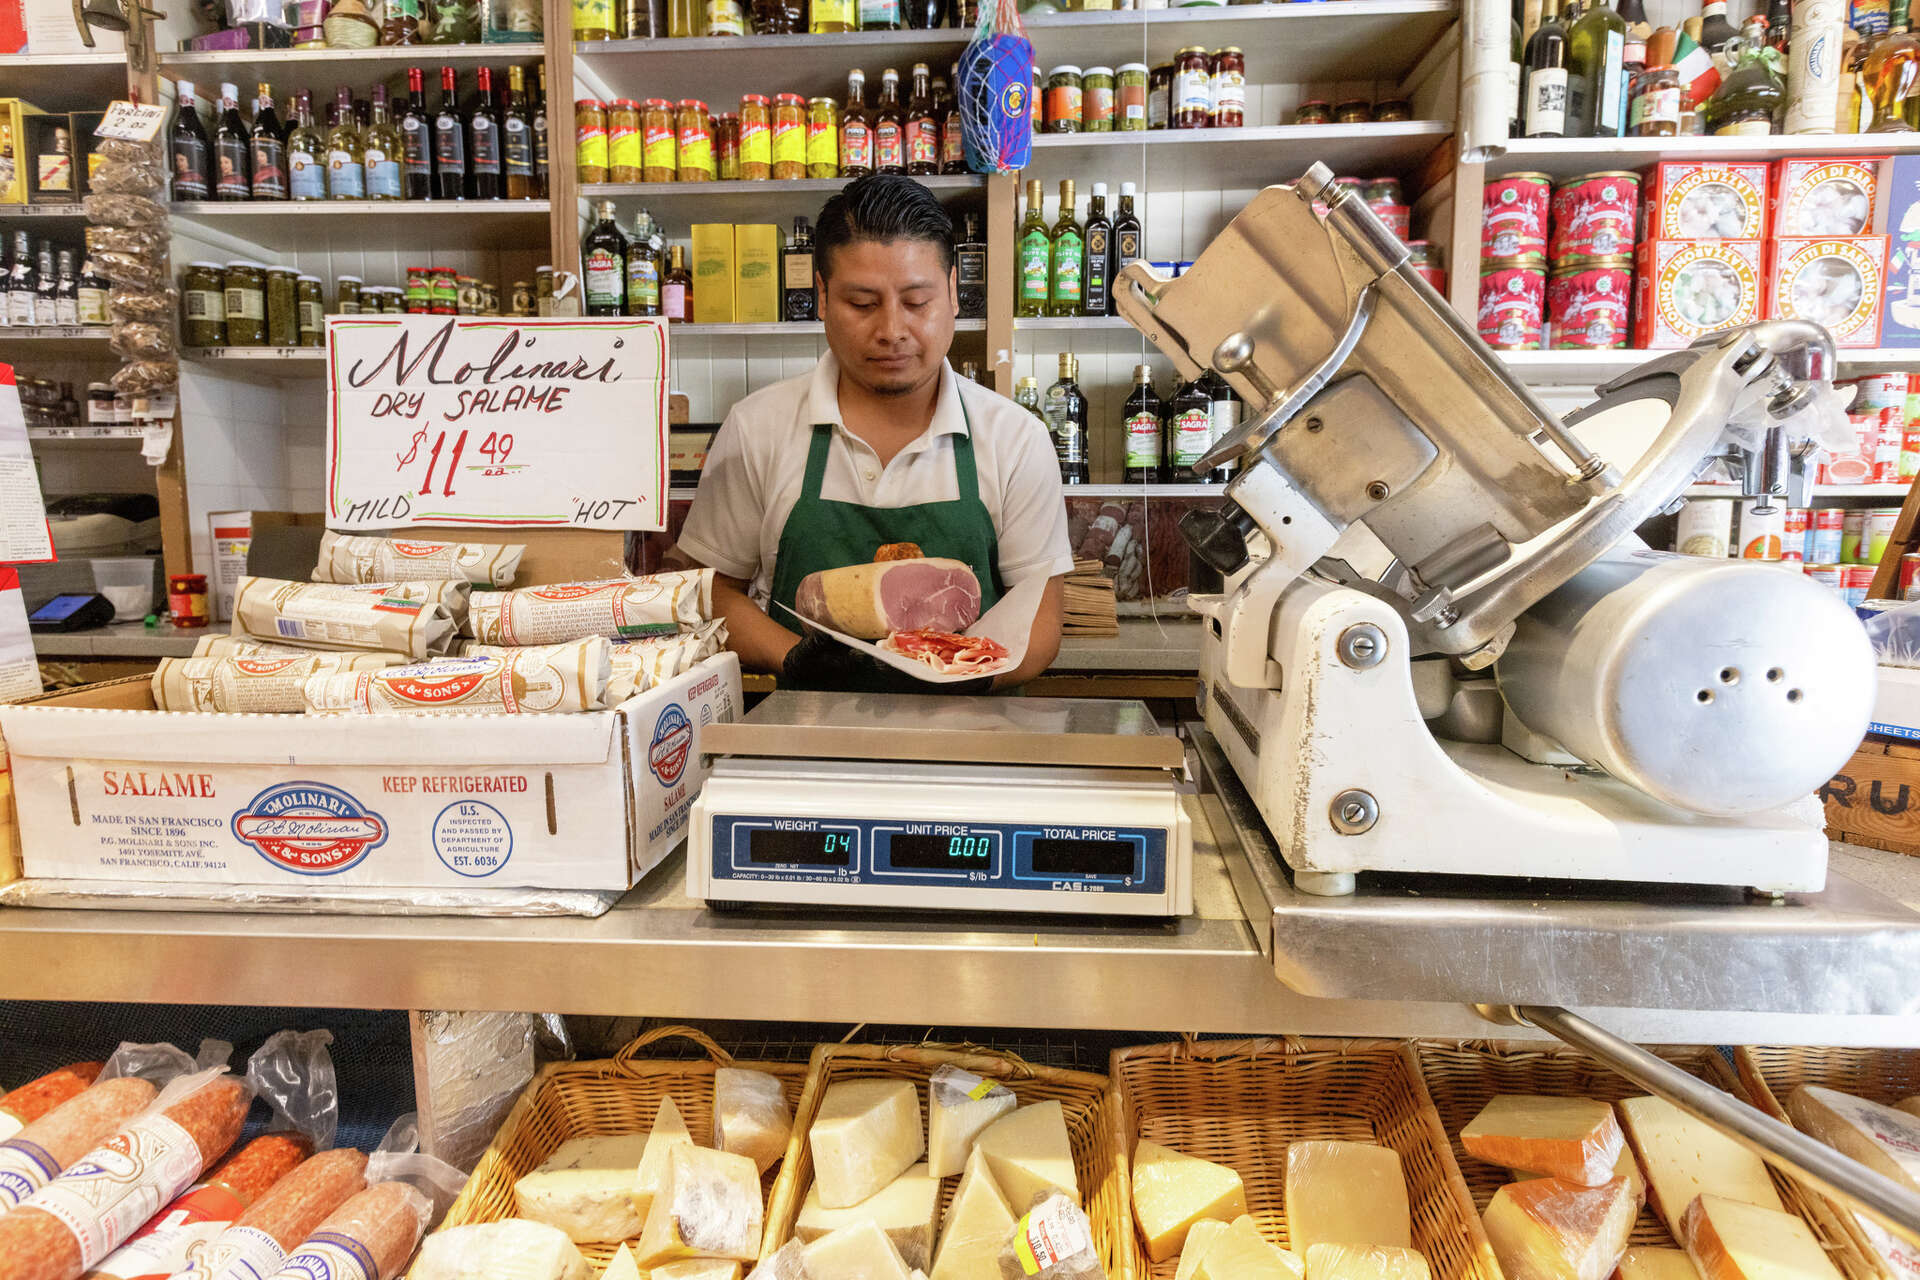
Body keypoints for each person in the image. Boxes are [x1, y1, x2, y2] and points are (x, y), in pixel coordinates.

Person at [673, 175, 1072, 692]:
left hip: (970, 728)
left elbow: (1040, 618)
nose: (891, 330)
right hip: (801, 727)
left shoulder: (1015, 439)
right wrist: (794, 658)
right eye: (862, 304)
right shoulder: (757, 427)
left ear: (953, 292)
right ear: (821, 296)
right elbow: (709, 593)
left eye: (917, 301)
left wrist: (955, 679)